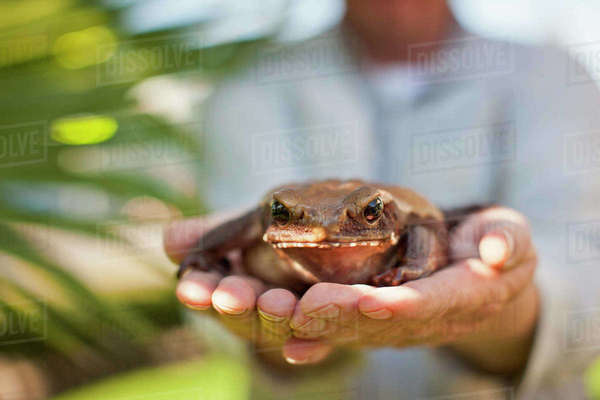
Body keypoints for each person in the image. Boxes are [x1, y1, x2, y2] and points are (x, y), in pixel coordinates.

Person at [164, 0, 600, 398]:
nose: (324, 230)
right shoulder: (248, 90)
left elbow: (583, 266)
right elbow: (248, 230)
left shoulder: (549, 74)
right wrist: (212, 255)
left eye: (365, 213)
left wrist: (489, 299)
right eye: (285, 215)